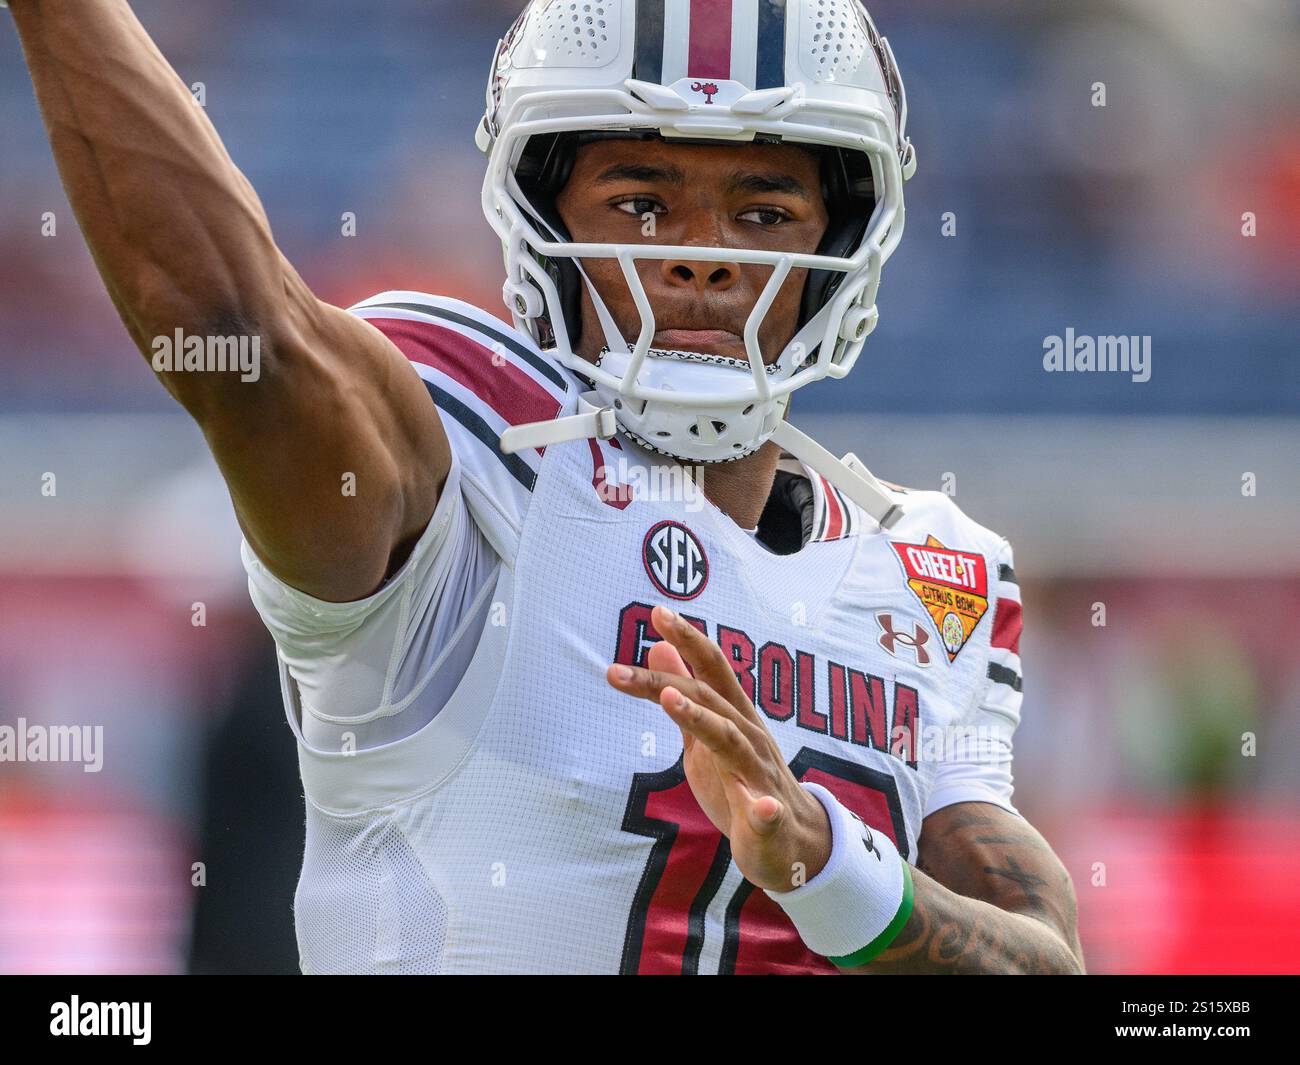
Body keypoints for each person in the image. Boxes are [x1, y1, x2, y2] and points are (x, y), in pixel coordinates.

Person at [10, 0, 1083, 974]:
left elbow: (1046, 962)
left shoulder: (931, 566)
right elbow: (237, 333)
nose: (701, 257)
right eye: (640, 204)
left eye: (760, 214)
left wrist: (825, 867)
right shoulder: (473, 458)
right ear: (543, 219)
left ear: (838, 244)